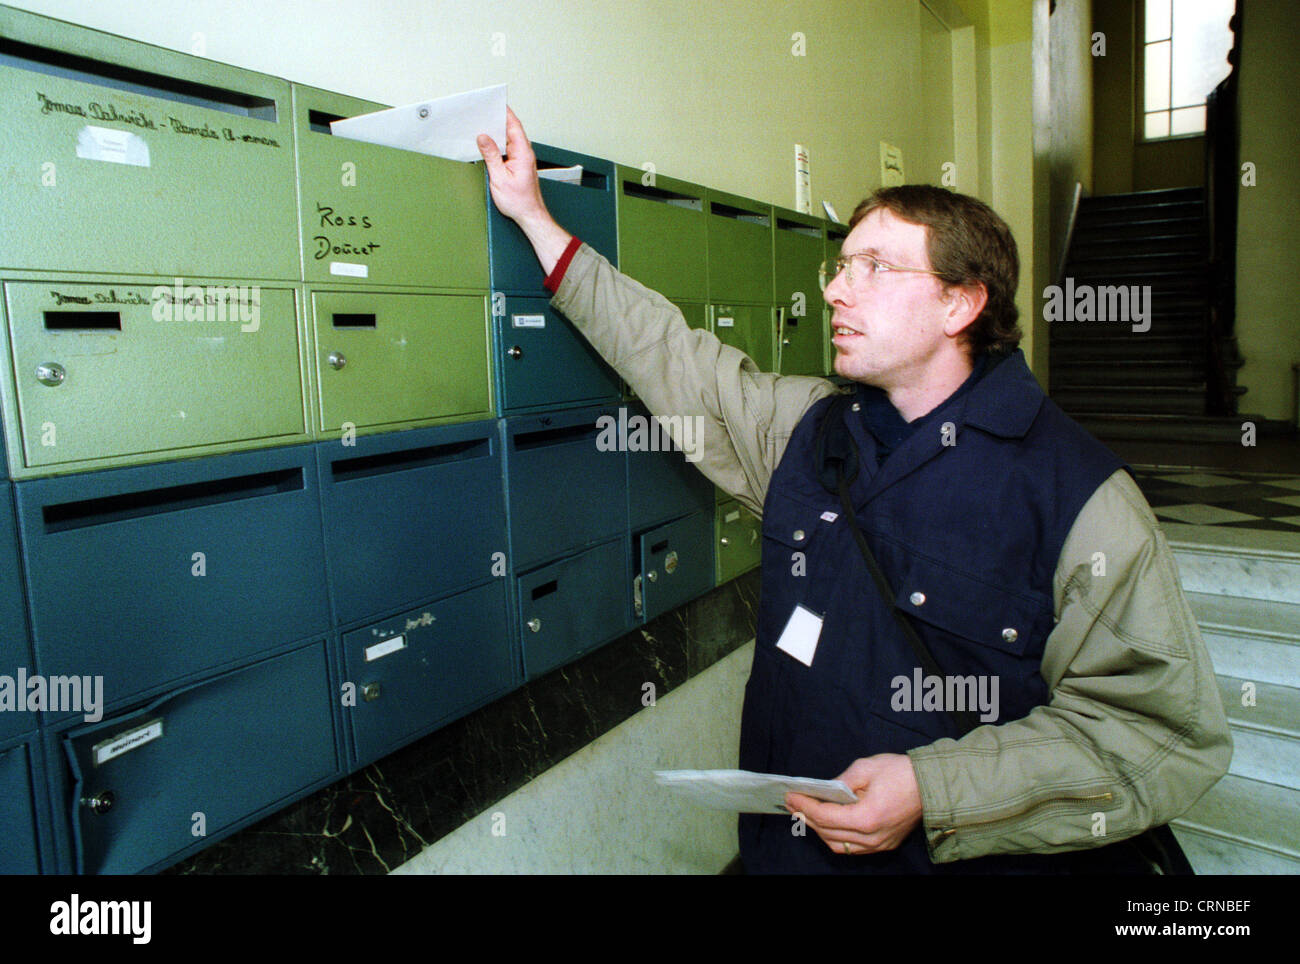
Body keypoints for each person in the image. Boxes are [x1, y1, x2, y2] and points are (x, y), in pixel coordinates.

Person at [477, 108, 1232, 874]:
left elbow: (1157, 734)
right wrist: (538, 222)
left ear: (960, 303)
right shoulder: (809, 432)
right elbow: (674, 360)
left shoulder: (1080, 498)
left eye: (874, 267)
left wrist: (935, 789)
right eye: (839, 266)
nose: (837, 290)